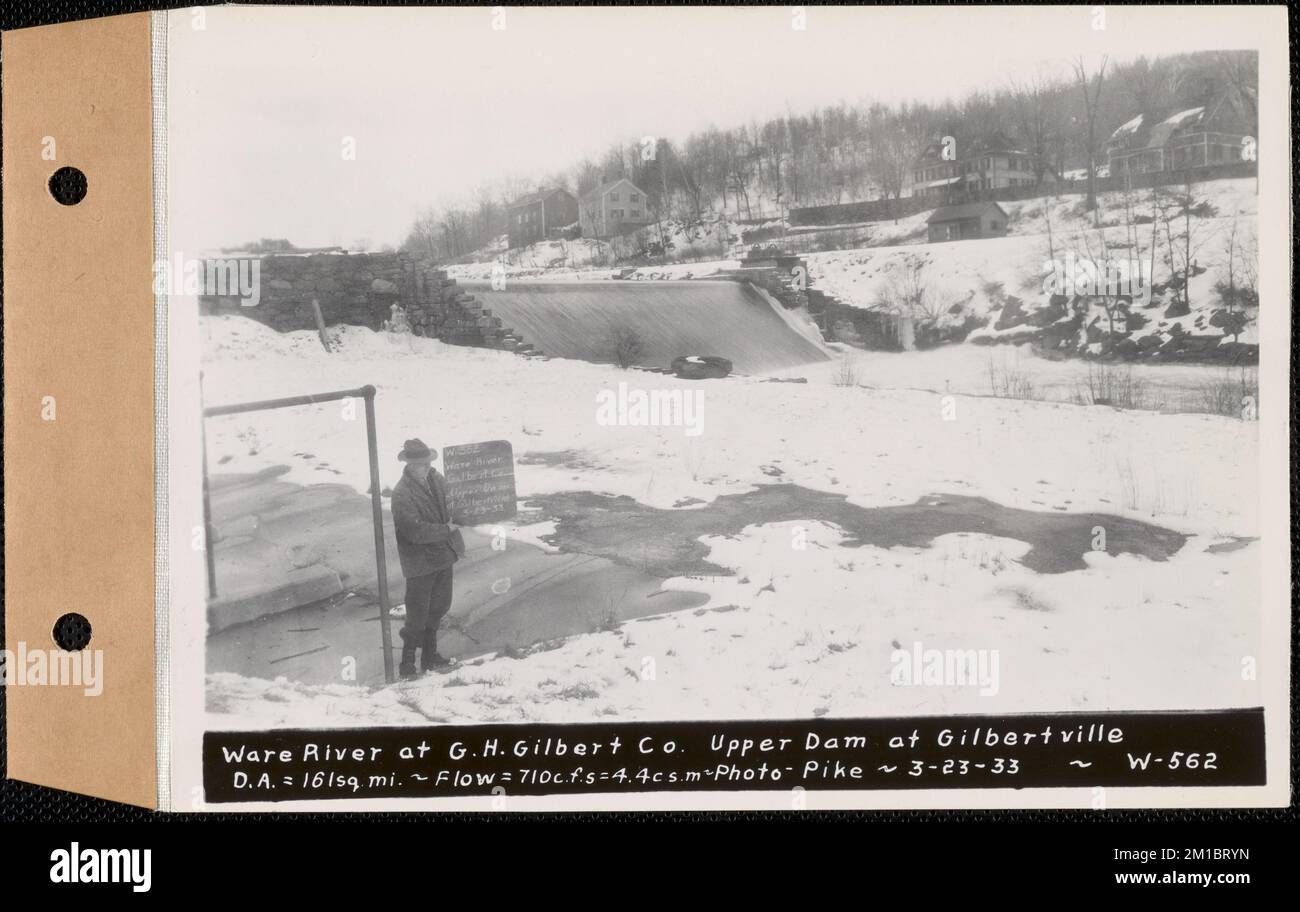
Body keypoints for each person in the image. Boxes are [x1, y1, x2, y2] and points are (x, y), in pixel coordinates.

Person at [391, 438, 464, 677]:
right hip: (420, 562)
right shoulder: (402, 493)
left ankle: (430, 658)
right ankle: (407, 664)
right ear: (410, 466)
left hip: (443, 554)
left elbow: (453, 502)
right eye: (420, 464)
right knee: (417, 614)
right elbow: (415, 531)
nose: (425, 467)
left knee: (439, 607)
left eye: (427, 463)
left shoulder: (437, 479)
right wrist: (447, 529)